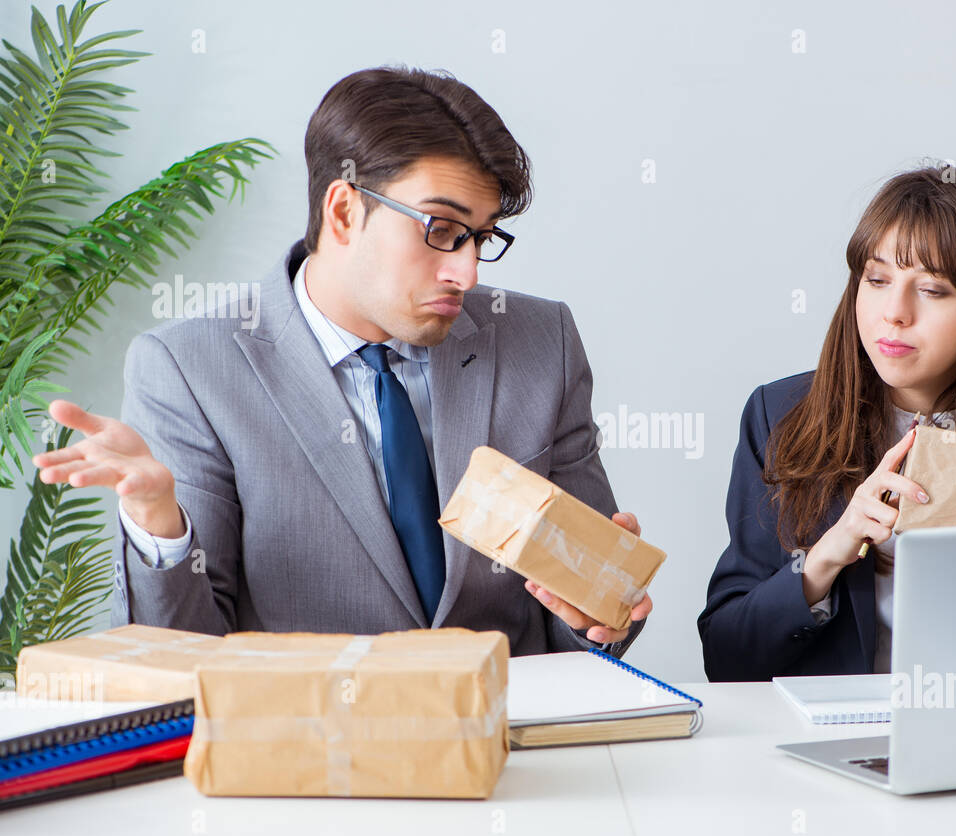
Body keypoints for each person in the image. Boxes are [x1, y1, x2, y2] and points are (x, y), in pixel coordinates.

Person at [31, 67, 651, 655]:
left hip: (507, 740)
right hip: (312, 748)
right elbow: (180, 654)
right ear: (344, 211)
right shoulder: (190, 369)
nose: (466, 271)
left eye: (481, 238)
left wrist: (597, 614)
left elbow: (589, 627)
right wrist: (156, 525)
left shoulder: (541, 341)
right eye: (441, 228)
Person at [698, 166, 956, 681]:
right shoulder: (779, 415)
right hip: (827, 735)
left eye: (933, 290)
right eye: (876, 280)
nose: (894, 312)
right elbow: (724, 656)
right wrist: (826, 557)